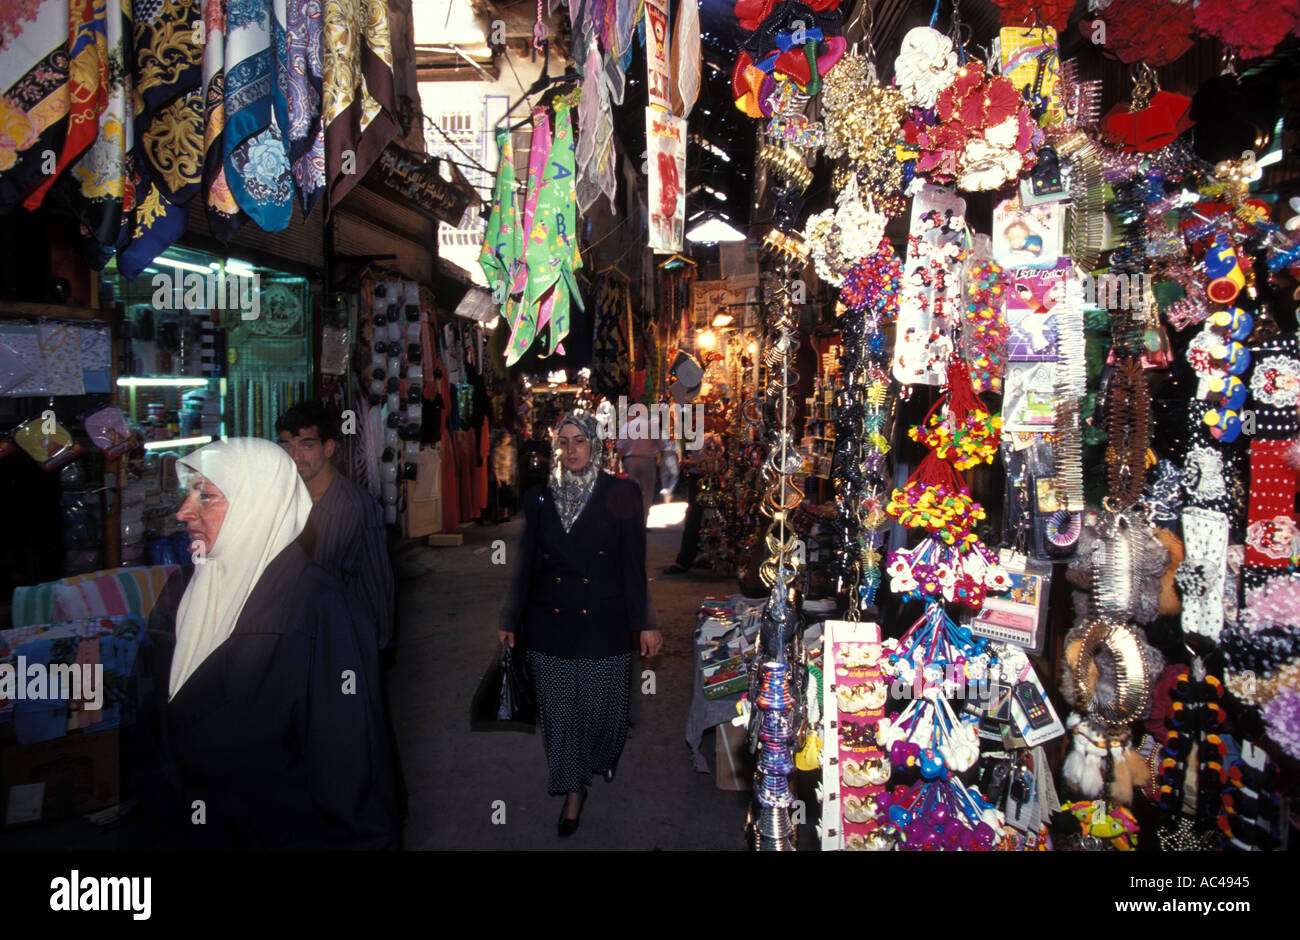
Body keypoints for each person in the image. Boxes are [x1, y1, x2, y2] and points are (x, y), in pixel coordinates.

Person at [163, 439, 400, 849]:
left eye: (207, 495)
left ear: (259, 502)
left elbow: (352, 775)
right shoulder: (184, 593)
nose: (185, 511)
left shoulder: (323, 611)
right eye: (188, 493)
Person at [498, 412, 662, 837]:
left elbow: (632, 565)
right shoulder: (539, 497)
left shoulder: (622, 493)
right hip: (548, 623)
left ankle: (600, 756)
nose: (570, 450)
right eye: (564, 441)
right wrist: (510, 617)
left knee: (603, 712)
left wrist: (645, 622)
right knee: (560, 715)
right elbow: (525, 563)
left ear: (597, 446)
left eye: (579, 441)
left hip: (603, 622)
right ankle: (573, 795)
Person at [276, 401, 395, 653]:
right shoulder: (281, 501)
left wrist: (375, 651)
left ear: (328, 447)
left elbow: (376, 585)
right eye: (287, 446)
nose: (296, 456)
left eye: (307, 446)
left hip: (340, 643)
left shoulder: (355, 507)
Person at [616, 410, 660, 520]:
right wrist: (660, 458)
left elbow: (621, 446)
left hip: (630, 461)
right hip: (647, 461)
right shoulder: (651, 426)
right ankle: (643, 521)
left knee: (631, 492)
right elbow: (660, 443)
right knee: (648, 492)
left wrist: (617, 462)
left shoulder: (626, 426)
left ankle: (632, 520)